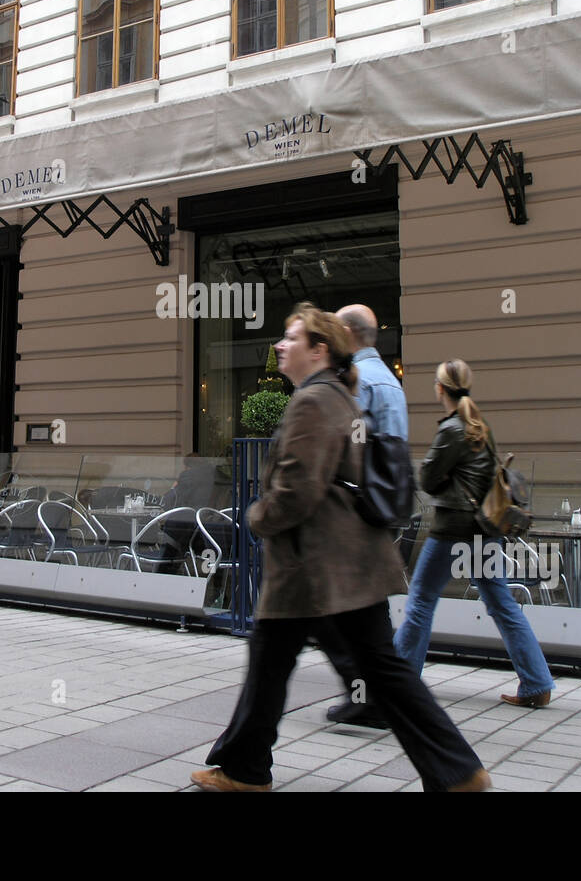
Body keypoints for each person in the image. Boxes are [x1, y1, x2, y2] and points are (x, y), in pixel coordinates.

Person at [192, 305, 489, 792]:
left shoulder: (314, 401)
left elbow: (300, 489)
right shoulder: (340, 395)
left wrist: (257, 516)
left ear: (319, 350)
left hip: (316, 564)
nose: (280, 346)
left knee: (290, 663)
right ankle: (458, 771)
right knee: (359, 667)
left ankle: (246, 769)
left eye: (291, 338)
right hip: (344, 562)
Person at [394, 360, 556, 709]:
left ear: (440, 389)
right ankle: (537, 682)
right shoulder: (480, 425)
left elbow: (427, 479)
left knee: (421, 599)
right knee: (501, 603)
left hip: (452, 531)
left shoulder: (452, 429)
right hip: (484, 530)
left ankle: (399, 686)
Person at [318, 304, 410, 728]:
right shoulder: (391, 379)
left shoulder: (359, 381)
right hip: (385, 501)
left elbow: (343, 442)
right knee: (368, 605)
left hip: (354, 506)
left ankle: (372, 693)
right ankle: (377, 693)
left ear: (347, 333)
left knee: (331, 603)